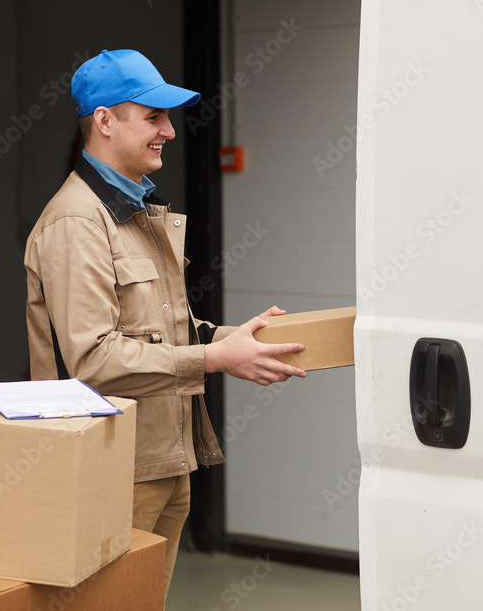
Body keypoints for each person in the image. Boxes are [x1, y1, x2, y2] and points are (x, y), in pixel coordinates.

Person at [24, 49, 306, 597]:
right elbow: (95, 361)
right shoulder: (77, 221)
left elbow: (159, 328)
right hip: (109, 468)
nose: (169, 132)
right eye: (154, 117)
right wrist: (215, 359)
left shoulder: (130, 210)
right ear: (104, 121)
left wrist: (236, 340)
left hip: (160, 462)